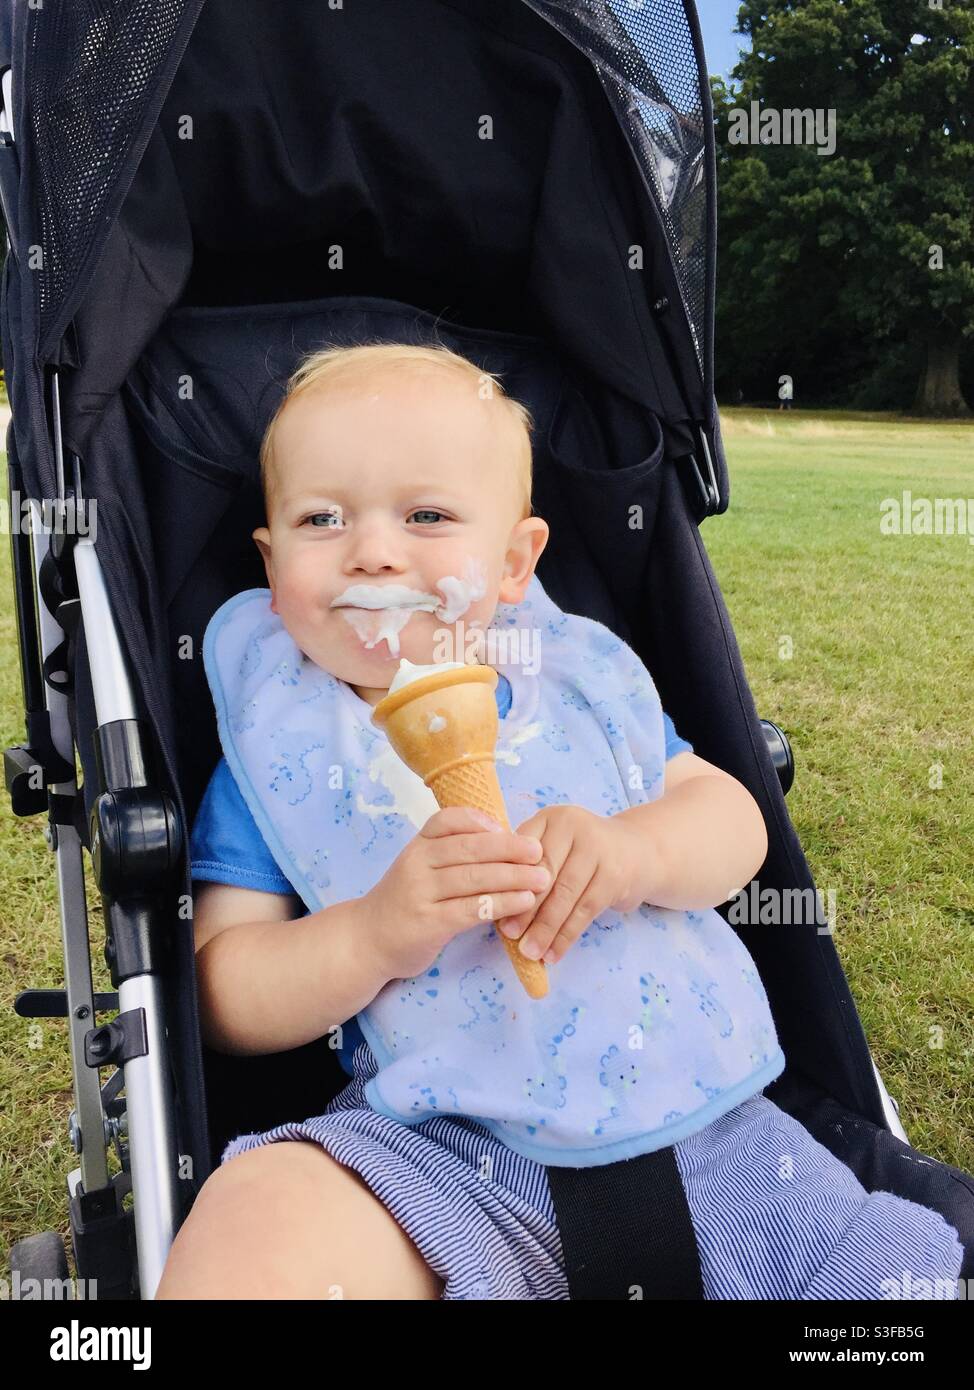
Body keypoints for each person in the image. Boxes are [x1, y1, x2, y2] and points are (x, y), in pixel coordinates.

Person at [155, 343, 963, 1300]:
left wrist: (634, 851)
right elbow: (221, 987)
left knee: (894, 1283)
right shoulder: (282, 749)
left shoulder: (578, 684)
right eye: (320, 519)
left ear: (512, 562)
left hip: (721, 1135)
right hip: (439, 1160)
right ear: (270, 556)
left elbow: (736, 823)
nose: (372, 550)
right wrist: (372, 934)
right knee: (263, 1218)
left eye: (426, 516)